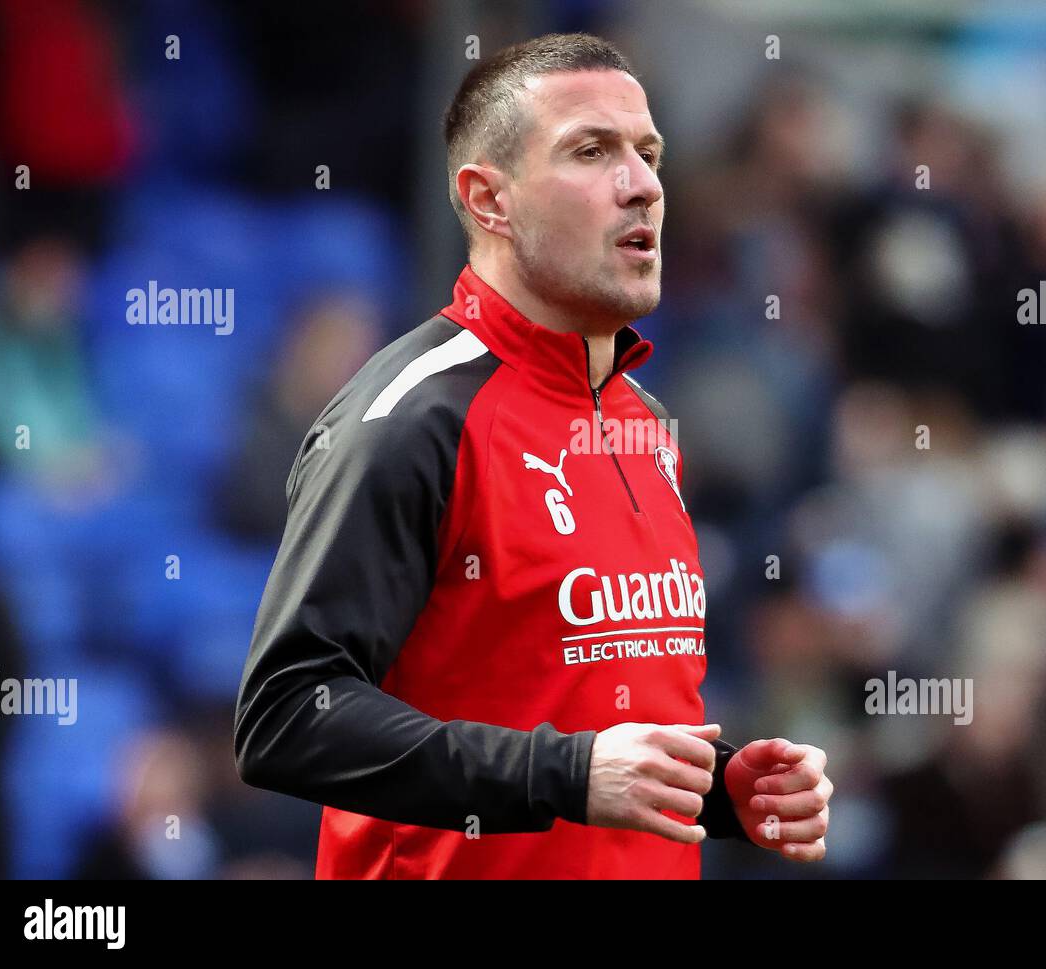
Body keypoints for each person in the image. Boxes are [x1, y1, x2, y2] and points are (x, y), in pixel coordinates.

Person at [234, 32, 830, 879]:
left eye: (648, 153)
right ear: (488, 200)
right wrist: (570, 773)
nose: (643, 185)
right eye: (592, 151)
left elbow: (581, 724)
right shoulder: (408, 417)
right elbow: (286, 717)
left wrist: (725, 790)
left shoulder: (646, 423)